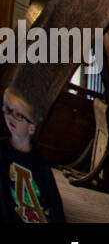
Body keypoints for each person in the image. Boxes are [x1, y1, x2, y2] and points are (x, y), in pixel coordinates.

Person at [1, 86, 66, 223]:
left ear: (31, 128)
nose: (11, 116)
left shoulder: (40, 165)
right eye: (8, 109)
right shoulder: (2, 151)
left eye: (18, 115)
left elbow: (55, 204)